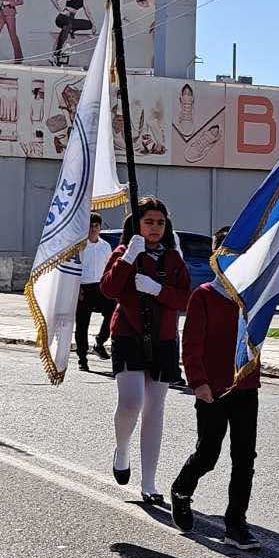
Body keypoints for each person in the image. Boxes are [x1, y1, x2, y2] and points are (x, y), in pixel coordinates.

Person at [169, 229, 262, 549]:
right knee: (208, 454)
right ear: (216, 256)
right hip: (212, 388)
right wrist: (198, 382)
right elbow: (191, 344)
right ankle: (182, 490)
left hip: (246, 385)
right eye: (226, 252)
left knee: (244, 458)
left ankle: (236, 522)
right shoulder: (205, 296)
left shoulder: (253, 297)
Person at [100, 198, 191, 505]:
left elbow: (184, 298)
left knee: (155, 409)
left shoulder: (173, 259)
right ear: (136, 225)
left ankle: (149, 482)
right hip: (129, 334)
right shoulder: (124, 252)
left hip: (163, 339)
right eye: (148, 222)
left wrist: (157, 290)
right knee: (131, 402)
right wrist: (129, 257)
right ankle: (121, 449)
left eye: (160, 223)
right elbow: (109, 289)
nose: (154, 228)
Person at [72, 212, 115, 370]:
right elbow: (74, 268)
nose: (93, 229)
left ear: (100, 227)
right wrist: (76, 288)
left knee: (112, 310)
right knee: (82, 324)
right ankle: (82, 358)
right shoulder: (80, 246)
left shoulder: (105, 246)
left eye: (96, 226)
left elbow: (109, 267)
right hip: (84, 287)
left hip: (100, 286)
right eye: (90, 226)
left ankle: (100, 341)